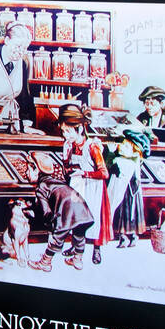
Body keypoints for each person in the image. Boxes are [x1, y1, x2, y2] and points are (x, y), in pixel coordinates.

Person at [58, 103, 112, 264]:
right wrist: (66, 160)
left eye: (67, 131)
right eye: (63, 131)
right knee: (77, 217)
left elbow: (104, 173)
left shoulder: (92, 146)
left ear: (80, 128)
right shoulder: (70, 145)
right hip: (77, 186)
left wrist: (84, 173)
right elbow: (67, 167)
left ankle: (96, 249)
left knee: (93, 218)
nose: (65, 135)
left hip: (93, 187)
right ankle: (76, 246)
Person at [25, 155, 94, 272]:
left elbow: (46, 211)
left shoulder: (41, 187)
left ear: (37, 170)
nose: (26, 174)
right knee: (79, 234)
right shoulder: (56, 181)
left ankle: (45, 263)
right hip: (82, 209)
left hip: (67, 211)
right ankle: (77, 260)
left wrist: (50, 226)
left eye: (28, 170)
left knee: (57, 237)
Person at [107, 125, 152, 248]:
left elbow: (117, 170)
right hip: (120, 192)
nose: (121, 146)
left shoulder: (129, 162)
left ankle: (131, 236)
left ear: (135, 151)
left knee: (127, 216)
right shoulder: (121, 159)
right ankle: (122, 237)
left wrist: (111, 154)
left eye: (126, 146)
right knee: (120, 215)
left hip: (128, 194)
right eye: (122, 144)